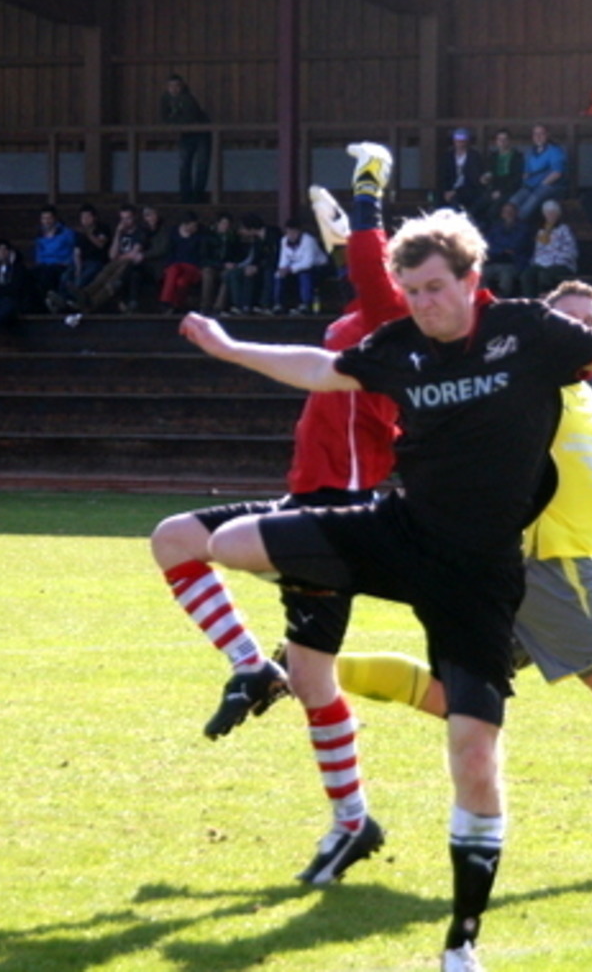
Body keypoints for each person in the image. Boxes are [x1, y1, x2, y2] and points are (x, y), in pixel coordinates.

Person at [167, 206, 592, 972]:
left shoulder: (529, 331)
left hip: (482, 576)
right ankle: (290, 646)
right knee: (227, 542)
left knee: (474, 753)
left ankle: (461, 943)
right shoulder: (398, 346)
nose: (422, 303)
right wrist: (227, 348)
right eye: (410, 290)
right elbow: (320, 367)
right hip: (402, 530)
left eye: (432, 287)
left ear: (470, 280)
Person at [336, 280, 592, 877]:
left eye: (590, 321)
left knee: (457, 696)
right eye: (570, 321)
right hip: (551, 565)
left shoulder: (578, 395)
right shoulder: (524, 385)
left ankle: (308, 670)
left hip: (521, 568)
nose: (581, 330)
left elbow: (561, 469)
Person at [148, 144, 407, 895]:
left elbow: (369, 262)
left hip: (339, 515)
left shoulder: (393, 319)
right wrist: (340, 231)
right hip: (311, 503)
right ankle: (345, 805)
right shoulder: (369, 313)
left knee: (223, 551)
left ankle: (347, 808)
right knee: (308, 675)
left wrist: (369, 187)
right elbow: (359, 269)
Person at [162, 73, 211, 203]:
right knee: (184, 165)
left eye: (177, 86)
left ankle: (198, 195)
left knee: (202, 165)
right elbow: (164, 117)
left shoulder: (188, 99)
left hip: (201, 134)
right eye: (171, 86)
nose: (174, 89)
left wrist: (175, 119)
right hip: (186, 134)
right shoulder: (165, 99)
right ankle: (185, 195)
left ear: (181, 87)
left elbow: (189, 118)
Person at [509, 123, 567, 220]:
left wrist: (540, 184)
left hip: (549, 186)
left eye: (541, 134)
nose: (538, 137)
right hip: (530, 186)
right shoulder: (529, 152)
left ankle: (519, 225)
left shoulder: (555, 151)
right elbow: (526, 173)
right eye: (535, 134)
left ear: (547, 135)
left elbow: (557, 173)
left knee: (530, 203)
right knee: (512, 202)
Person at [271, 214, 327, 314]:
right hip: (295, 267)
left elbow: (308, 263)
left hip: (318, 268)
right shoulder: (284, 241)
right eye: (289, 232)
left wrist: (290, 269)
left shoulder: (309, 240)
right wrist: (282, 269)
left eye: (294, 232)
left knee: (305, 274)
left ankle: (305, 304)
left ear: (299, 231)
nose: (291, 235)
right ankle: (279, 304)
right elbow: (283, 259)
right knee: (278, 275)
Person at [478, 200, 533, 299]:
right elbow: (488, 246)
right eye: (505, 212)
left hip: (514, 262)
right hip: (495, 260)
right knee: (480, 272)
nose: (508, 214)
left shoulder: (523, 228)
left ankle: (502, 300)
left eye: (510, 211)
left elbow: (517, 245)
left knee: (505, 274)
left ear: (516, 213)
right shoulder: (496, 228)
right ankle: (483, 298)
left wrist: (501, 249)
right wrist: (501, 251)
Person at [158, 210, 210, 313]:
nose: (194, 228)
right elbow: (170, 252)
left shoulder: (200, 235)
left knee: (181, 279)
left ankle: (172, 304)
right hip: (176, 265)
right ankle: (170, 303)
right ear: (185, 225)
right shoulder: (174, 233)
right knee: (175, 272)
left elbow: (202, 255)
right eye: (192, 226)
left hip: (192, 267)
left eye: (195, 225)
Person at [222, 213, 273, 315]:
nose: (241, 232)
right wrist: (239, 266)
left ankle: (249, 305)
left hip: (269, 267)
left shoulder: (272, 235)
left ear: (251, 228)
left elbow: (274, 257)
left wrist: (257, 267)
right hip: (256, 266)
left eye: (243, 229)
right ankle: (238, 305)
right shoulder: (257, 240)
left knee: (252, 274)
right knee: (232, 274)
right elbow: (253, 258)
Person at [526, 198, 578, 296]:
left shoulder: (565, 229)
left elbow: (571, 250)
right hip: (542, 262)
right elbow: (538, 250)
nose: (550, 216)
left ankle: (548, 298)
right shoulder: (541, 231)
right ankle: (530, 301)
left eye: (552, 213)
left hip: (561, 263)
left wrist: (557, 258)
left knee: (544, 275)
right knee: (527, 275)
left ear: (558, 214)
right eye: (547, 213)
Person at [30, 205, 78, 311]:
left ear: (55, 219)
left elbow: (75, 249)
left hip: (61, 264)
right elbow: (38, 255)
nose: (46, 221)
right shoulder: (39, 235)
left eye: (49, 218)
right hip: (43, 266)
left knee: (48, 275)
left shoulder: (67, 233)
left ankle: (53, 302)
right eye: (44, 218)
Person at [437, 127, 486, 221]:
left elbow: (474, 179)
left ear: (467, 141)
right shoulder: (448, 156)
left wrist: (456, 192)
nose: (460, 142)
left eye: (462, 140)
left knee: (456, 201)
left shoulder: (474, 156)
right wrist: (446, 191)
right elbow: (443, 176)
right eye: (457, 140)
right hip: (450, 189)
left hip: (469, 190)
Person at [476, 128, 522, 219]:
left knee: (493, 211)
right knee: (476, 207)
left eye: (505, 139)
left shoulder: (517, 157)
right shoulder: (493, 156)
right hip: (493, 188)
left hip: (509, 189)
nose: (502, 142)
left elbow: (517, 179)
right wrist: (484, 179)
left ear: (509, 141)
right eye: (500, 139)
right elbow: (488, 173)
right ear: (496, 141)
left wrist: (501, 191)